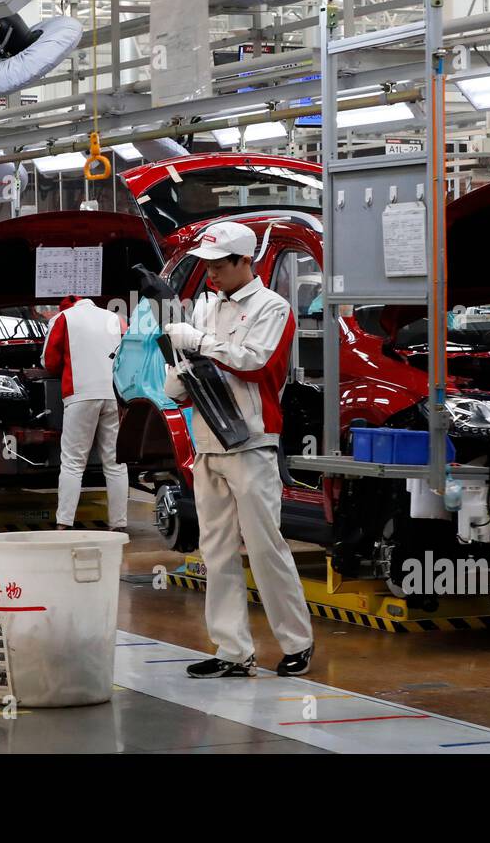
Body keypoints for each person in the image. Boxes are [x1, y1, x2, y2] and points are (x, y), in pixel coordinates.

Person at [163, 221, 314, 678]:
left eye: (218, 266)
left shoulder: (274, 307)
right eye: (206, 265)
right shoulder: (208, 308)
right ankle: (232, 651)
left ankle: (296, 643)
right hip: (208, 443)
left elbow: (255, 362)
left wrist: (199, 342)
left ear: (245, 261)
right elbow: (197, 366)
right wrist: (177, 376)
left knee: (267, 547)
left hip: (251, 442)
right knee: (216, 551)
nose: (211, 275)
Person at [42, 295, 129, 532]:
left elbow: (49, 362)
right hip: (114, 394)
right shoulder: (116, 318)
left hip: (80, 394)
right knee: (116, 463)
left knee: (72, 463)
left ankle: (64, 522)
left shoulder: (63, 318)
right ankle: (119, 524)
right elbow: (130, 354)